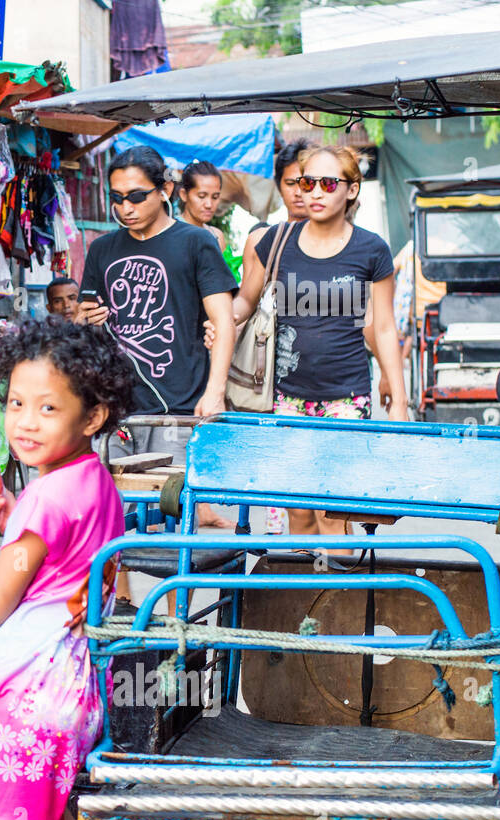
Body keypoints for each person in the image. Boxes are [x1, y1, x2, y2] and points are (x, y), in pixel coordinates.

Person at [0, 317, 133, 820]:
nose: (26, 423)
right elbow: (58, 558)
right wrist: (11, 524)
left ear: (93, 415)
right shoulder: (94, 479)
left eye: (48, 408)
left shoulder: (44, 501)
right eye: (16, 405)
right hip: (75, 689)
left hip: (30, 703)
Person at [232, 144, 408, 539]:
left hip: (346, 398)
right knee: (298, 510)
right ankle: (300, 597)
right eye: (307, 182)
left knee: (334, 514)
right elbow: (247, 297)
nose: (314, 192)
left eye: (328, 184)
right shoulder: (275, 241)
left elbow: (382, 327)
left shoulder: (372, 249)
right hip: (285, 397)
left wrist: (398, 400)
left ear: (352, 189)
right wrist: (227, 318)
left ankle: (338, 597)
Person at [79, 145, 237, 546]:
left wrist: (214, 393)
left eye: (136, 196)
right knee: (112, 517)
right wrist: (85, 319)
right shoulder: (101, 250)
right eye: (116, 198)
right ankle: (124, 601)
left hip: (179, 405)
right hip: (117, 407)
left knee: (174, 519)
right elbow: (83, 324)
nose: (125, 207)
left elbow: (223, 321)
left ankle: (173, 608)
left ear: (165, 189)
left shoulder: (195, 243)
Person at [203, 138, 315, 533]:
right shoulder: (265, 239)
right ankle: (291, 572)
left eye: (310, 181)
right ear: (279, 186)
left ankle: (335, 581)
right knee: (287, 495)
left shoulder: (350, 240)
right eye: (291, 183)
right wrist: (221, 321)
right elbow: (245, 301)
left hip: (334, 387)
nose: (301, 192)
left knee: (329, 504)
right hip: (271, 384)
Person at [177, 160, 227, 252]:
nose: (209, 205)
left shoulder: (217, 236)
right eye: (202, 196)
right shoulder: (169, 231)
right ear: (184, 194)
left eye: (215, 197)